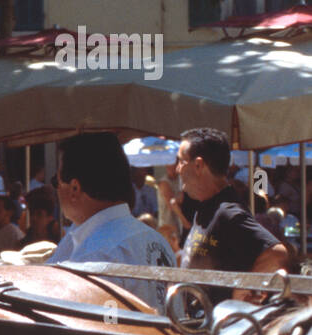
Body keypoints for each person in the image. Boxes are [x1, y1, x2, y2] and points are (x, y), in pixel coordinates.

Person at [47, 132, 175, 310]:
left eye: (56, 181)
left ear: (75, 188)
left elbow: (106, 325)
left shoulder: (95, 256)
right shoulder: (157, 240)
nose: (56, 190)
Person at [170, 127, 288, 303]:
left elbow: (277, 253)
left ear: (198, 165)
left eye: (181, 161)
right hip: (197, 324)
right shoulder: (207, 208)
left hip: (218, 326)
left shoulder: (228, 212)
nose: (178, 169)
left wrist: (243, 290)